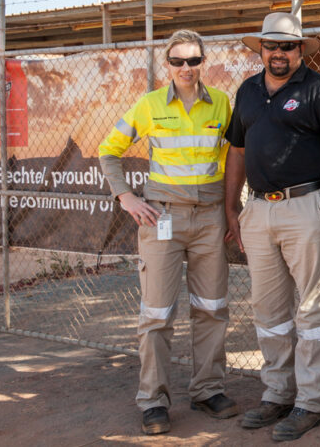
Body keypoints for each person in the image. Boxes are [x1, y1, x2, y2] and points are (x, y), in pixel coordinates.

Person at [224, 12, 320, 442]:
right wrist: (232, 207)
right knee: (269, 311)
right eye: (271, 46)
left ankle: (313, 401)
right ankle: (277, 394)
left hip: (305, 206)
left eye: (287, 46)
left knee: (313, 309)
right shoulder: (247, 91)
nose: (278, 53)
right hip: (259, 211)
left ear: (300, 50)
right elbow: (237, 152)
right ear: (260, 50)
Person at [98, 29, 239, 435]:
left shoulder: (222, 104)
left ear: (202, 63)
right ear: (167, 64)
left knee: (212, 307)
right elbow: (110, 151)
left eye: (193, 60)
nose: (186, 68)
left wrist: (232, 210)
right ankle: (154, 401)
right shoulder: (149, 104)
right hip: (162, 219)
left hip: (210, 217)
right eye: (178, 61)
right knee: (157, 312)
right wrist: (126, 197)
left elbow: (235, 159)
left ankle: (208, 389)